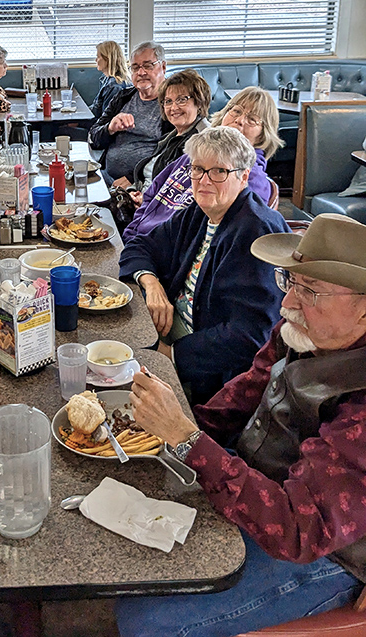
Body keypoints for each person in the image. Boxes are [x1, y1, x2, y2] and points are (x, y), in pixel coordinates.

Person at [117, 213, 366, 636]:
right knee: (137, 501)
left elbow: (298, 531)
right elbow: (246, 391)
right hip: (262, 479)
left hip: (326, 552)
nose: (287, 303)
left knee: (148, 622)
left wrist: (186, 438)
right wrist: (167, 433)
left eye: (312, 291)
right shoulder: (305, 332)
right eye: (290, 282)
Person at [119, 126, 290, 405]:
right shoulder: (200, 212)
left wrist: (170, 354)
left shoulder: (257, 231)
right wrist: (151, 284)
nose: (204, 180)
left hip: (211, 378)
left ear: (244, 176)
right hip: (168, 332)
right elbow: (140, 245)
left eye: (219, 171)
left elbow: (249, 335)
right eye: (197, 169)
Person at [123, 85, 283, 241]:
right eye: (236, 111)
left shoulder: (250, 179)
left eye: (252, 119)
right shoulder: (196, 153)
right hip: (138, 241)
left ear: (263, 135)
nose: (240, 120)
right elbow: (152, 194)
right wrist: (133, 232)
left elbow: (226, 237)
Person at [89, 41, 172, 187]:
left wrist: (134, 177)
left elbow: (170, 156)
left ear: (163, 67)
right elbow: (94, 138)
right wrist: (110, 128)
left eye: (148, 65)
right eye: (135, 67)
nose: (141, 72)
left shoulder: (171, 105)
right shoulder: (123, 97)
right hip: (104, 177)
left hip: (141, 185)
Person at [130, 69, 211, 195]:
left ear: (199, 102)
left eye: (181, 100)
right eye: (168, 101)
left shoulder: (202, 142)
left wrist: (145, 201)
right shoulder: (172, 136)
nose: (173, 108)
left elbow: (181, 194)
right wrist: (131, 192)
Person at [91, 41, 132, 121]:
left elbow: (105, 120)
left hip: (102, 129)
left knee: (64, 129)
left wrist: (80, 122)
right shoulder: (106, 79)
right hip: (97, 123)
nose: (96, 60)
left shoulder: (114, 86)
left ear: (108, 59)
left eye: (98, 57)